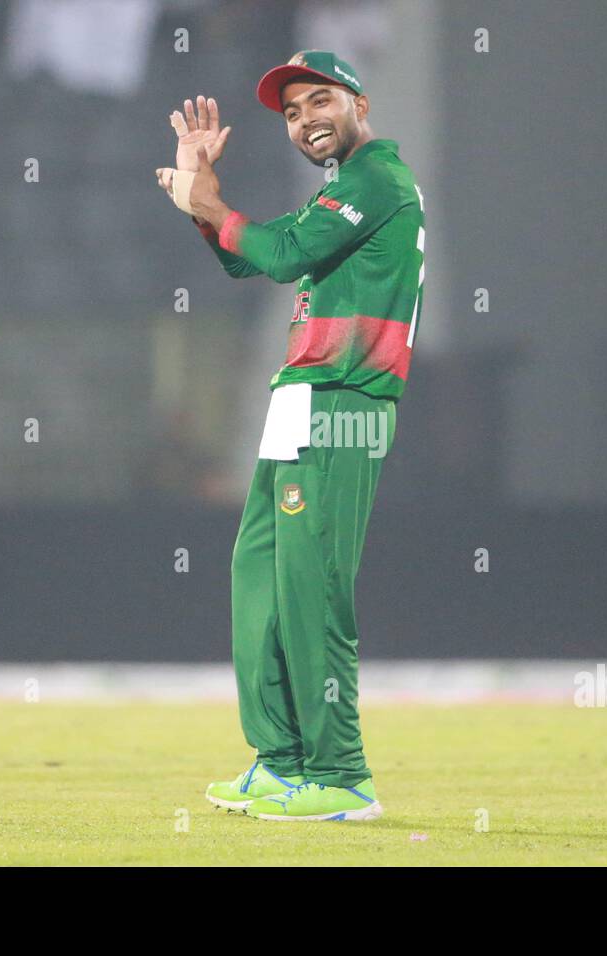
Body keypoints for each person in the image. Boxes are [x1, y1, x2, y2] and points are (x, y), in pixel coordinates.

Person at [154, 51, 425, 821]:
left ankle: (341, 775)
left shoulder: (378, 179)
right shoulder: (344, 188)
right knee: (260, 577)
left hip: (344, 402)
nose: (305, 120)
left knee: (313, 591)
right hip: (303, 400)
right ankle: (282, 760)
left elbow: (281, 255)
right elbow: (256, 261)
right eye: (293, 113)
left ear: (358, 101)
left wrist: (203, 200)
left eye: (318, 101)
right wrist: (205, 206)